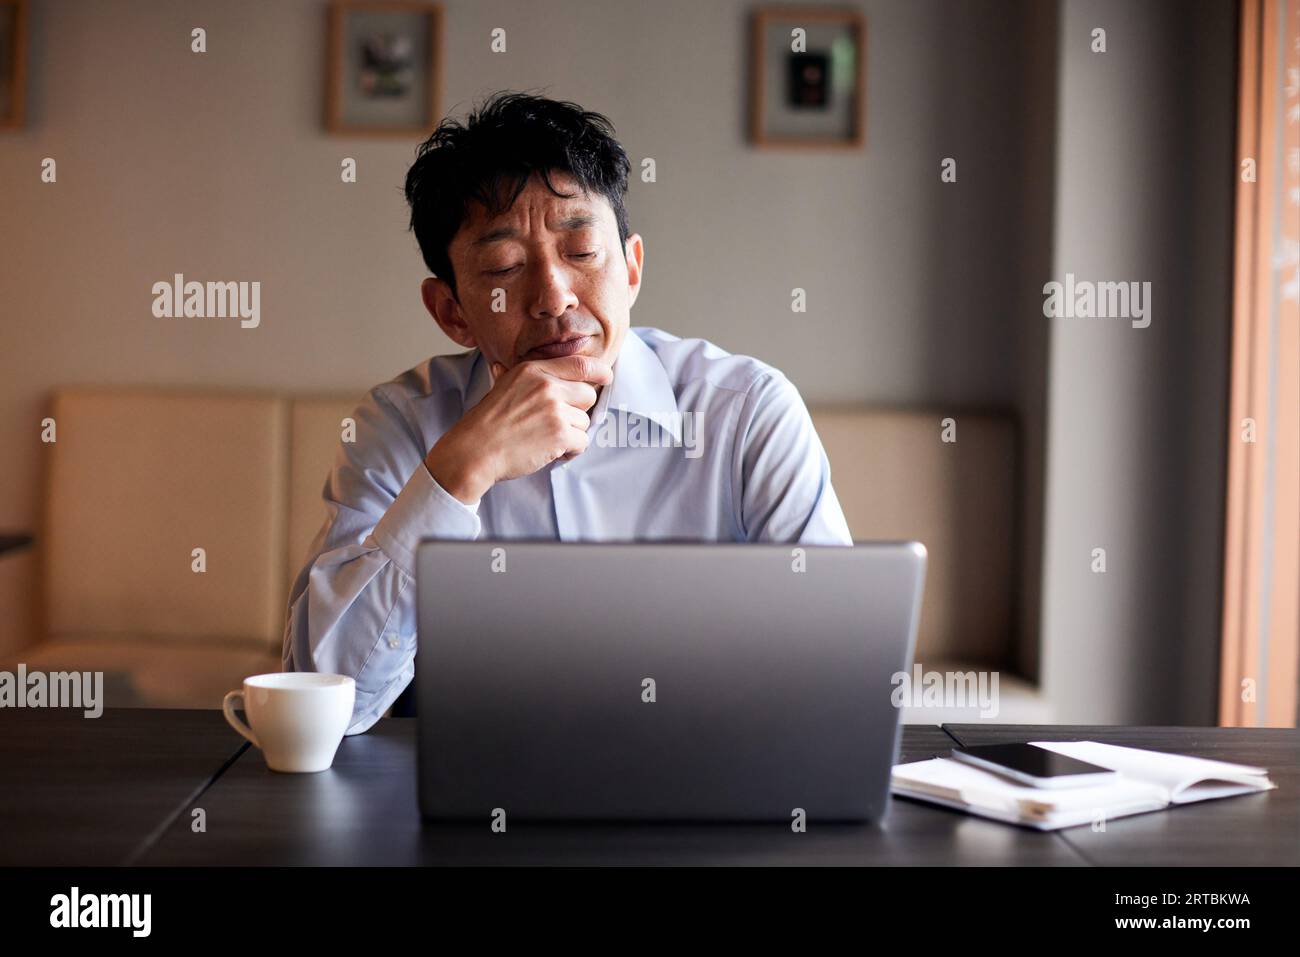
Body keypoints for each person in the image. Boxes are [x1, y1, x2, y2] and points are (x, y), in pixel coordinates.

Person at [283, 92, 851, 733]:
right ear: (452, 313)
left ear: (632, 269)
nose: (553, 296)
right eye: (503, 267)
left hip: (700, 789)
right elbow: (324, 704)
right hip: (476, 807)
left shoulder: (746, 413)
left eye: (582, 252)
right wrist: (454, 476)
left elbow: (837, 674)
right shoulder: (400, 425)